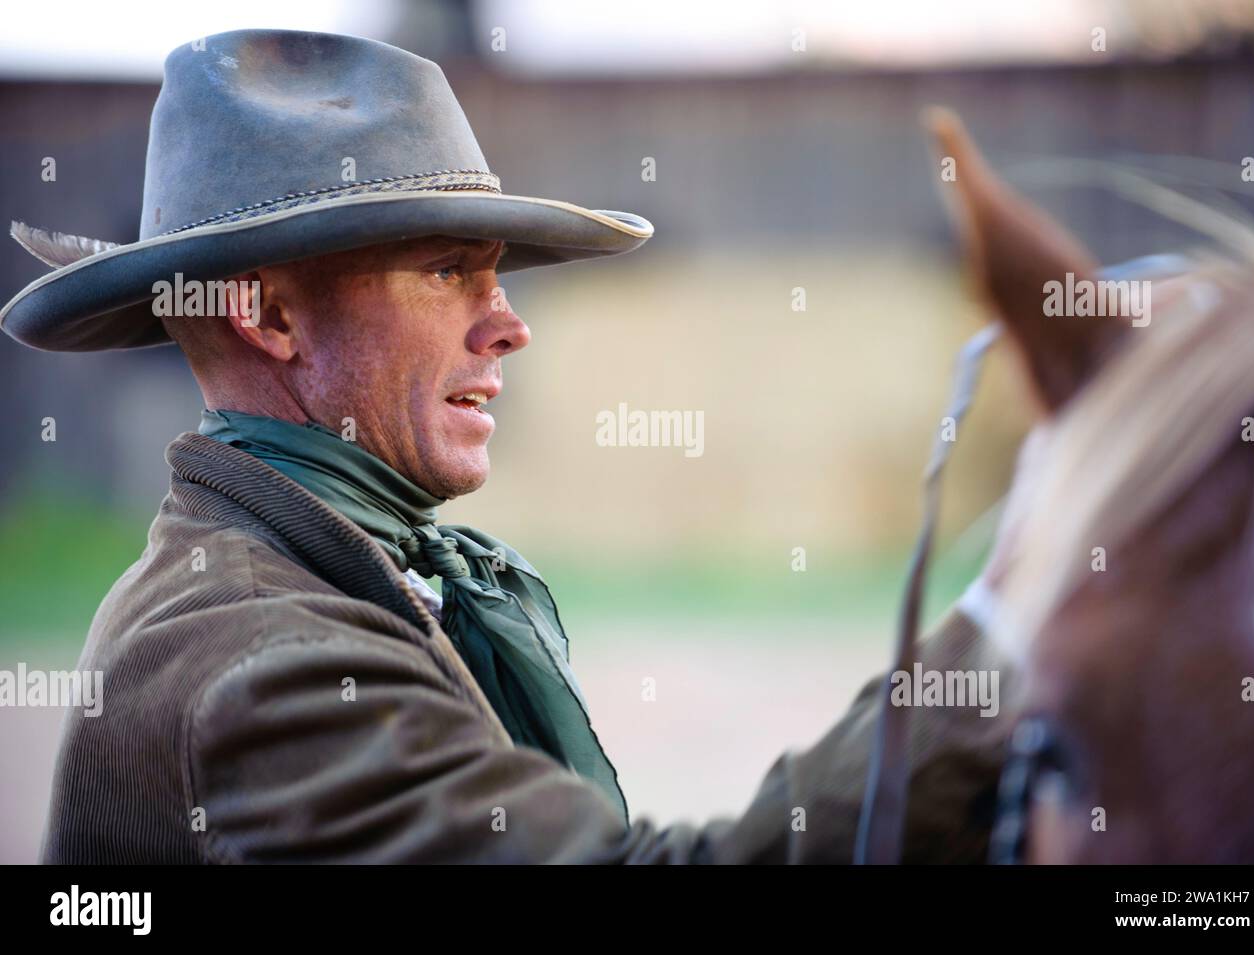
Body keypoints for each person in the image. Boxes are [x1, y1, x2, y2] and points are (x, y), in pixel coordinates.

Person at [3, 28, 1013, 863]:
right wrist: (1010, 649)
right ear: (268, 314)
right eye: (448, 270)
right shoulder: (261, 666)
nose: (507, 323)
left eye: (494, 273)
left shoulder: (320, 572)